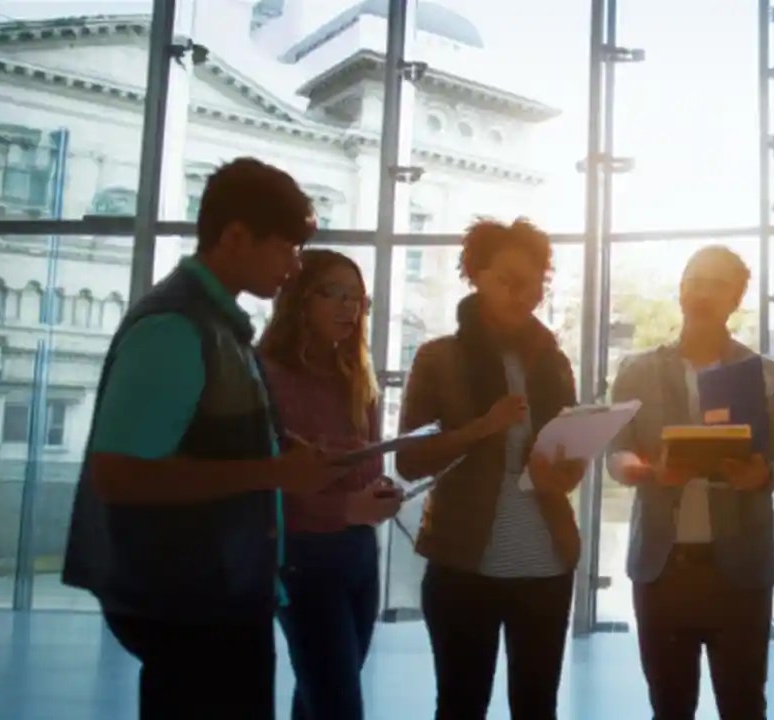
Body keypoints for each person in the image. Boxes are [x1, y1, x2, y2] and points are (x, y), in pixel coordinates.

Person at [63, 157, 339, 720]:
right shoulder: (174, 328)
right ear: (236, 237)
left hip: (219, 596)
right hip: (190, 604)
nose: (293, 268)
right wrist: (271, 472)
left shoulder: (221, 326)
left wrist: (282, 455)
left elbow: (214, 437)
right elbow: (118, 474)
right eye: (285, 249)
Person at [395, 218, 586, 720]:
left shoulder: (554, 362)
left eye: (535, 282)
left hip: (546, 559)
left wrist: (565, 467)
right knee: (461, 704)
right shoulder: (440, 358)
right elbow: (409, 459)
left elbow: (571, 465)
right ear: (476, 275)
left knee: (537, 706)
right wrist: (482, 427)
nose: (523, 293)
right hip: (462, 560)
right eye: (508, 279)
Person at [607, 245, 774, 720]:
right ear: (680, 290)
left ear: (737, 298)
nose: (702, 292)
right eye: (695, 280)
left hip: (739, 568)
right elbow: (615, 453)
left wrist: (764, 475)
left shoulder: (768, 376)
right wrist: (643, 470)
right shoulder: (637, 371)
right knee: (669, 705)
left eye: (718, 284)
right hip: (662, 566)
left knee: (743, 704)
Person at [259, 249, 402, 720]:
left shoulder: (355, 373)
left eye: (357, 298)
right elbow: (263, 485)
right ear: (299, 298)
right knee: (338, 703)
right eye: (333, 294)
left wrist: (379, 490)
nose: (348, 308)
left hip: (359, 553)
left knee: (320, 695)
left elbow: (368, 457)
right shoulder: (265, 375)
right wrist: (345, 508)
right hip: (302, 559)